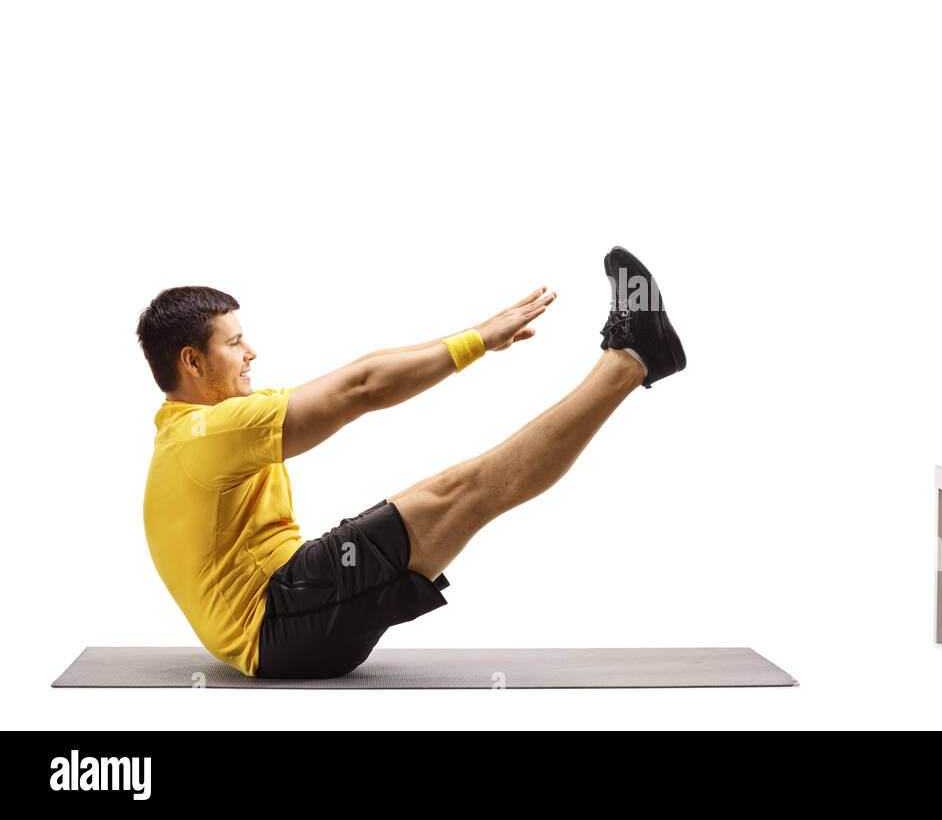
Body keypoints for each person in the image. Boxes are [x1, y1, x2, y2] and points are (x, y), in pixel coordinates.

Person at [137, 247, 686, 678]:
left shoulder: (196, 430)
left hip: (289, 611)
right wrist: (478, 340)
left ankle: (633, 358)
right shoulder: (208, 434)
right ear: (192, 361)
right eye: (235, 344)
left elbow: (360, 375)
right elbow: (364, 389)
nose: (250, 353)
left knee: (459, 490)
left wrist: (475, 338)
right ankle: (632, 360)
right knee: (463, 489)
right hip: (281, 622)